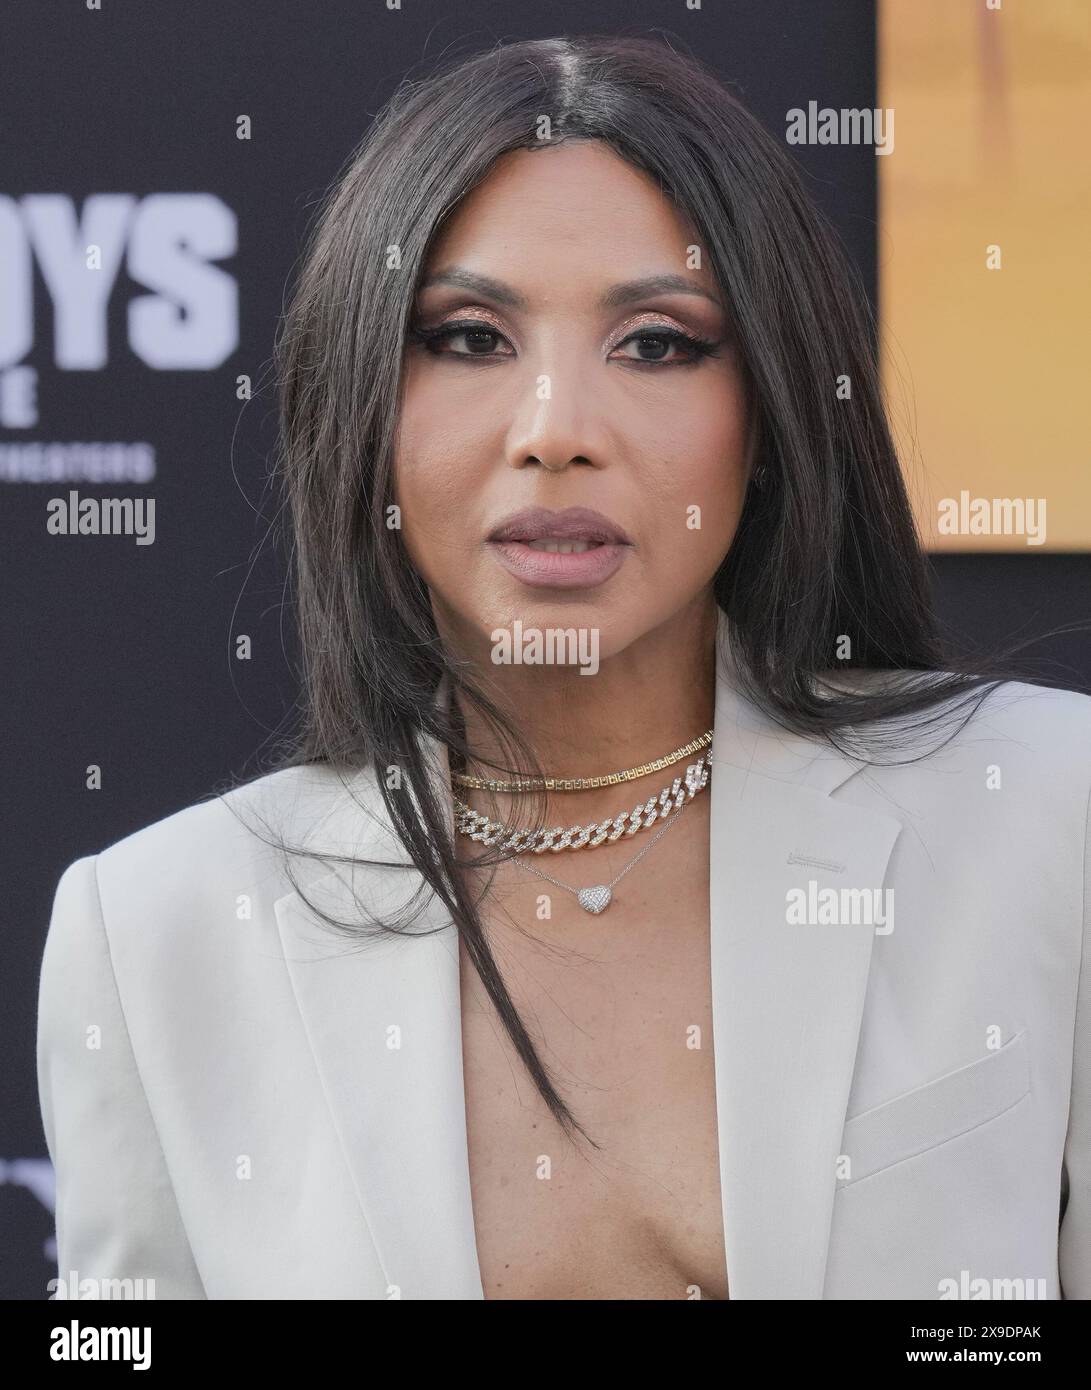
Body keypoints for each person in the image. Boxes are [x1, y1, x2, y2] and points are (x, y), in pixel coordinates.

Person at [37, 34, 1091, 1301]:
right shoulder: (161, 931)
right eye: (469, 338)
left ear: (767, 417)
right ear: (359, 401)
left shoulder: (1043, 817)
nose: (555, 434)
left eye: (655, 343)